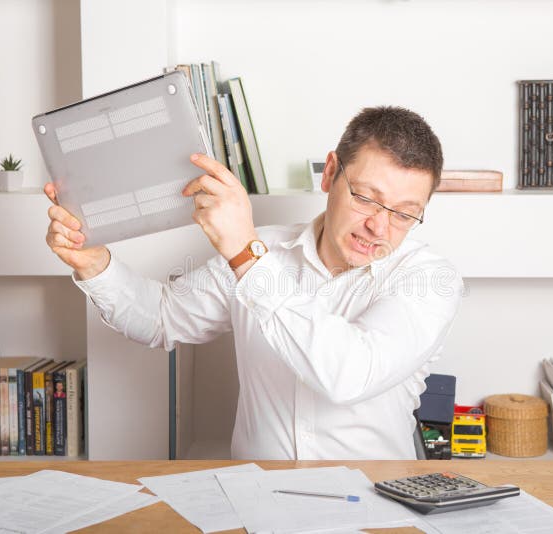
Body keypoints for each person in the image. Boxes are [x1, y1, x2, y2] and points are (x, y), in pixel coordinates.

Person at [44, 106, 463, 460]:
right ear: (330, 172)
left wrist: (246, 254)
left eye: (404, 214)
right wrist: (94, 262)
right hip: (255, 504)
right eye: (366, 198)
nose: (378, 227)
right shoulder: (263, 250)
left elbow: (349, 376)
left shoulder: (428, 279)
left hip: (374, 510)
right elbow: (160, 319)